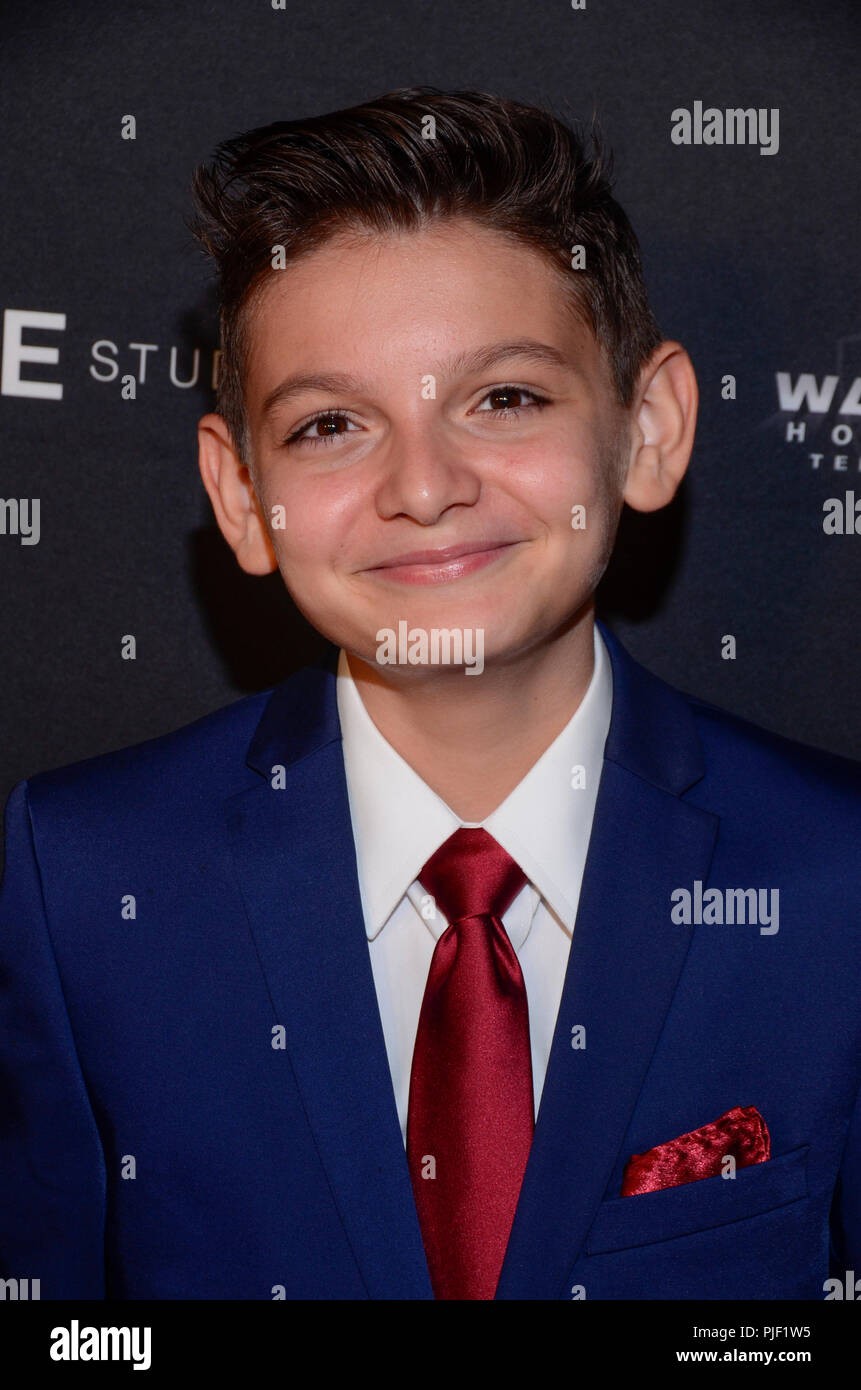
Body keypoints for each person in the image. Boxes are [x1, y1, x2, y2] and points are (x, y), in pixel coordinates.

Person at [1, 87, 859, 1301]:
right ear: (244, 498)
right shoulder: (82, 881)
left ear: (648, 429)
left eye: (503, 397)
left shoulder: (837, 880)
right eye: (331, 423)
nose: (423, 484)